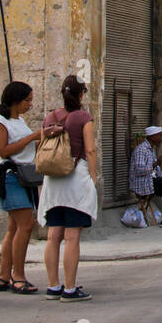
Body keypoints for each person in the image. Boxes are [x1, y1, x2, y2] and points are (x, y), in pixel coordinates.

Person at [37, 74, 98, 301]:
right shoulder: (83, 117)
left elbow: (42, 145)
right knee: (72, 237)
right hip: (75, 179)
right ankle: (70, 289)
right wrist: (92, 177)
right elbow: (90, 150)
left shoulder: (49, 117)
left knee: (53, 235)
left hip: (53, 182)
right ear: (81, 94)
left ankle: (53, 286)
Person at [0, 81, 44, 294]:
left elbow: (25, 148)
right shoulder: (0, 122)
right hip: (10, 175)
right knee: (26, 225)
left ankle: (3, 276)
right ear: (15, 100)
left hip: (23, 175)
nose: (30, 105)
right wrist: (32, 137)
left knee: (14, 228)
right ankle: (18, 276)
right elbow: (3, 150)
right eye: (27, 100)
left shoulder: (19, 121)